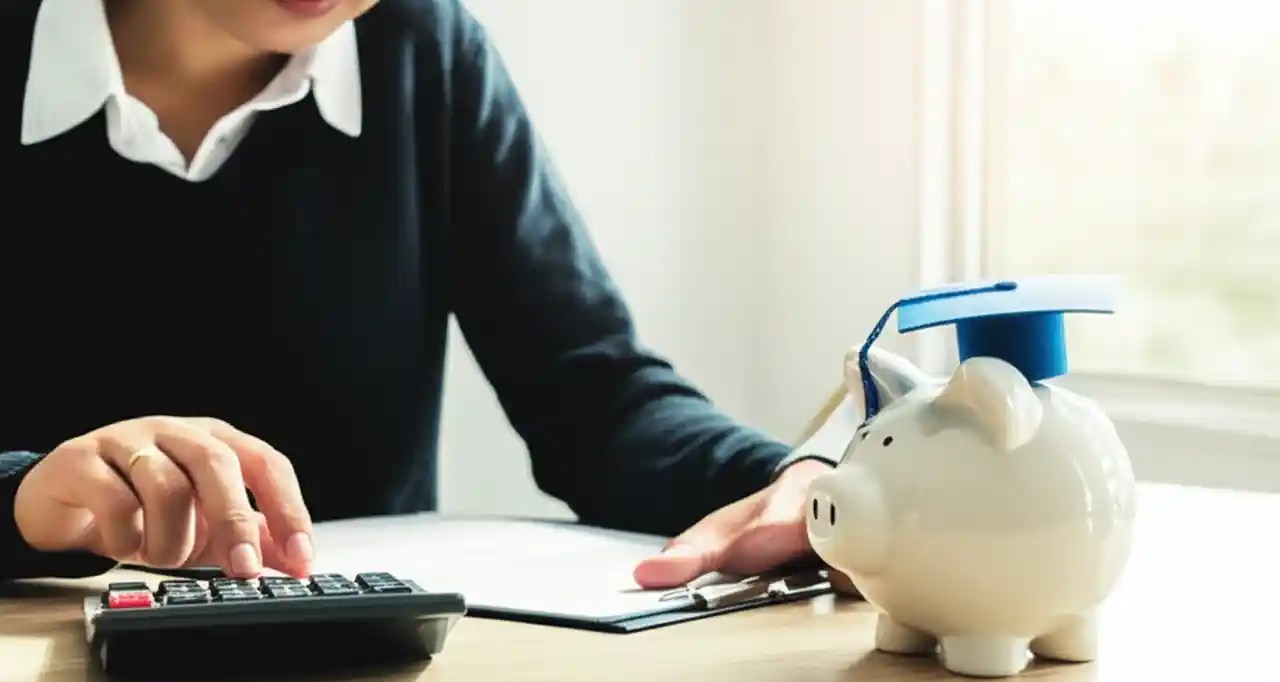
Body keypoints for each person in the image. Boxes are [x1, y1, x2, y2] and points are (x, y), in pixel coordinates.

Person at [0, 0, 849, 590]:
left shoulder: (422, 50)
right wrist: (26, 492)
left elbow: (592, 394)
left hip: (356, 672)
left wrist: (793, 481)